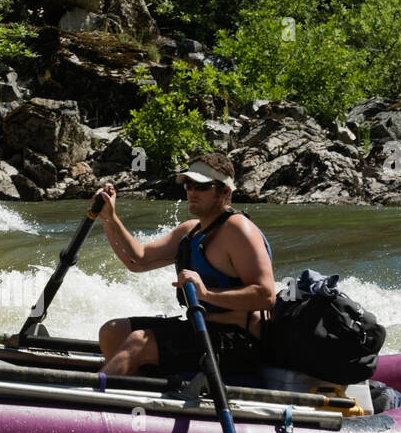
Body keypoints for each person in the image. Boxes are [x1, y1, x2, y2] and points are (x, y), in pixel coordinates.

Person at [96, 153, 275, 377]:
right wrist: (109, 218)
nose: (192, 192)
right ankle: (134, 394)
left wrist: (207, 294)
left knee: (138, 342)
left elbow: (266, 296)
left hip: (239, 343)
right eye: (189, 185)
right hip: (200, 329)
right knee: (112, 332)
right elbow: (137, 260)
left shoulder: (239, 230)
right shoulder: (191, 230)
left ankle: (96, 400)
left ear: (225, 191)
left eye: (202, 186)